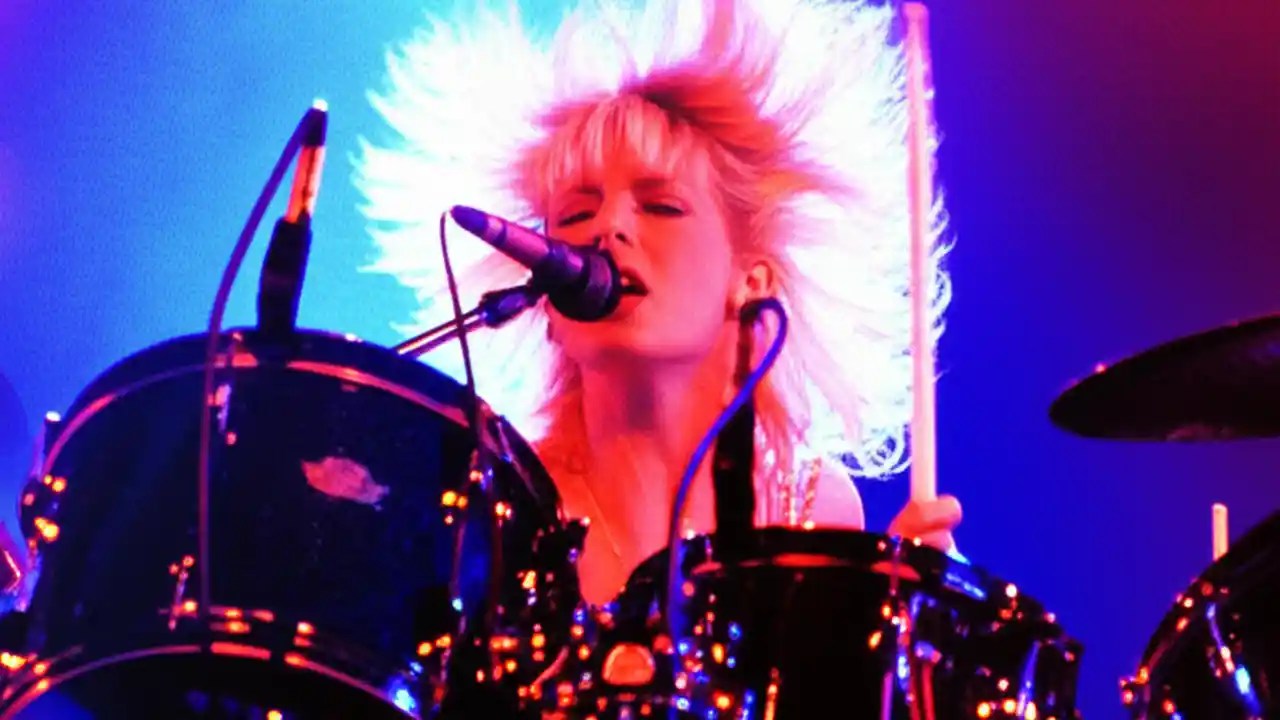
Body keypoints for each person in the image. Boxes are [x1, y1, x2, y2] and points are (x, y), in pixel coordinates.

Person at [356, 0, 963, 604]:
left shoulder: (809, 510)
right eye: (575, 215)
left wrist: (894, 621)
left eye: (661, 206)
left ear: (751, 280)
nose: (608, 228)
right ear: (545, 303)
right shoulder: (507, 516)